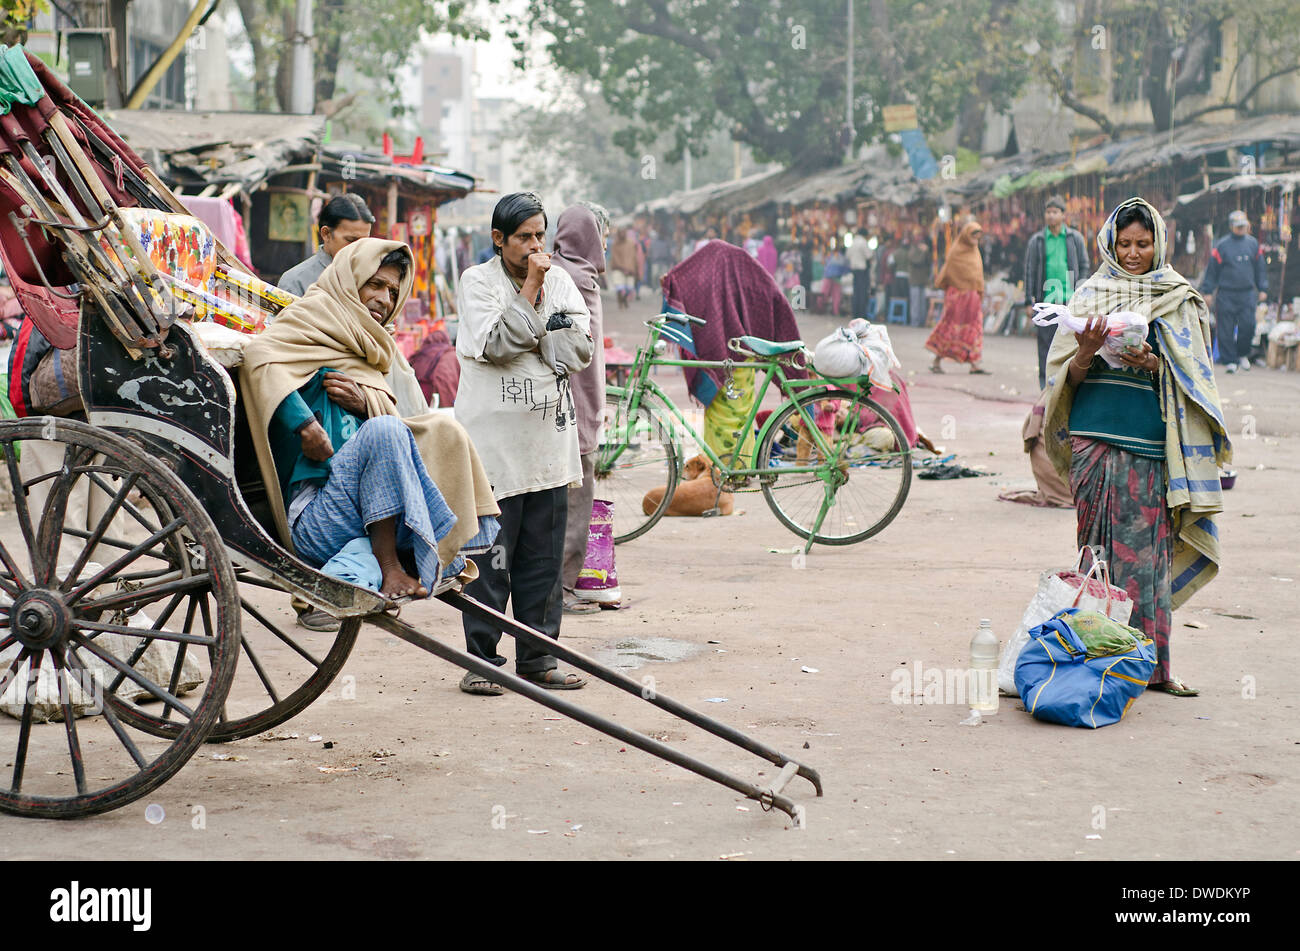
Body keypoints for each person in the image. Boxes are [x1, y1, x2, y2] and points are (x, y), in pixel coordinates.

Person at [241, 238, 501, 601]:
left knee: (444, 429)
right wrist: (305, 425)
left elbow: (396, 426)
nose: (384, 299)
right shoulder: (309, 319)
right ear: (350, 281)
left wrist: (366, 404)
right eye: (375, 284)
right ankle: (388, 565)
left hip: (364, 508)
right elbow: (258, 357)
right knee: (384, 430)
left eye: (393, 291)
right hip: (315, 516)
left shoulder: (371, 343)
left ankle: (432, 554)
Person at [1043, 196, 1229, 697]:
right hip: (1092, 440)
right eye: (1124, 243)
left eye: (1142, 243)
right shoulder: (1089, 295)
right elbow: (1063, 382)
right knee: (1096, 556)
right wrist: (1086, 352)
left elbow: (1196, 380)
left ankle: (1152, 667)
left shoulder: (1179, 299)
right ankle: (1098, 663)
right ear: (1109, 244)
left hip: (1148, 444)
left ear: (1158, 244)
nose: (1132, 253)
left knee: (1147, 562)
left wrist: (1153, 364)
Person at [455, 192, 595, 695]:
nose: (536, 246)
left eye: (540, 235)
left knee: (542, 561)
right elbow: (495, 345)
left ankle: (538, 660)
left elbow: (577, 350)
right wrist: (535, 301)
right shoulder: (477, 281)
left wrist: (531, 331)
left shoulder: (563, 281)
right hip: (492, 450)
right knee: (490, 562)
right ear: (499, 239)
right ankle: (482, 661)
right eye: (524, 238)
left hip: (548, 446)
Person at [551, 202, 610, 615]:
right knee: (576, 500)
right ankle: (563, 588)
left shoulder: (555, 272)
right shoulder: (577, 279)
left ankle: (552, 587)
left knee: (557, 499)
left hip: (558, 406)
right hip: (576, 404)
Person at [1023, 195, 1091, 389]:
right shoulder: (1037, 241)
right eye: (1048, 212)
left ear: (1063, 215)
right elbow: (1029, 270)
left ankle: (1067, 385)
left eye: (1055, 212)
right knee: (1045, 345)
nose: (1051, 216)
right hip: (1046, 300)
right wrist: (1028, 300)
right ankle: (1046, 386)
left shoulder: (1074, 238)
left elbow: (1084, 265)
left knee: (1071, 343)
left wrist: (1080, 291)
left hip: (1070, 300)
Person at [1201, 209, 1268, 373]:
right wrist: (1208, 291)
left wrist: (1263, 288)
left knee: (1249, 325)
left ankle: (1242, 354)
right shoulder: (1222, 246)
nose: (1241, 228)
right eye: (1238, 226)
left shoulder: (1253, 244)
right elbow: (1212, 270)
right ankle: (1230, 360)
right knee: (1225, 328)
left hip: (1247, 293)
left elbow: (1260, 268)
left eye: (1243, 226)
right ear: (1231, 226)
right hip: (1226, 293)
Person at [278, 194, 375, 297]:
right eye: (351, 240)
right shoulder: (295, 281)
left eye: (364, 242)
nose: (359, 248)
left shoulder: (373, 276)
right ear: (326, 234)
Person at [927, 219, 989, 374]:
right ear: (966, 235)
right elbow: (949, 273)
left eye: (978, 236)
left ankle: (974, 363)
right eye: (973, 235)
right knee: (951, 328)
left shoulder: (975, 252)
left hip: (972, 297)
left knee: (973, 329)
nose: (975, 239)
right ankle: (937, 361)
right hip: (957, 297)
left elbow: (977, 276)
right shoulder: (956, 251)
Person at [903, 229, 932, 328]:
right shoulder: (912, 249)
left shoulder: (923, 248)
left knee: (922, 303)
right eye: (917, 236)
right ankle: (915, 322)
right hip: (914, 280)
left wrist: (927, 252)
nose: (919, 238)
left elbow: (928, 261)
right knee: (915, 303)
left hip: (922, 280)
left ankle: (922, 322)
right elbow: (918, 261)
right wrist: (924, 252)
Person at [609, 228, 639, 309]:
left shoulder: (631, 243)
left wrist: (633, 269)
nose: (622, 234)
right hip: (618, 268)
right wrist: (622, 268)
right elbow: (615, 257)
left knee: (630, 288)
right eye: (620, 233)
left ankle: (624, 299)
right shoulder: (615, 244)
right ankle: (620, 302)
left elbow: (633, 257)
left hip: (630, 269)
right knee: (619, 288)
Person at [847, 226, 872, 319]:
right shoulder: (863, 242)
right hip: (862, 270)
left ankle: (855, 313)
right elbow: (869, 255)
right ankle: (862, 314)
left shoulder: (853, 242)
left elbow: (848, 255)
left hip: (854, 270)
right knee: (862, 293)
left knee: (856, 292)